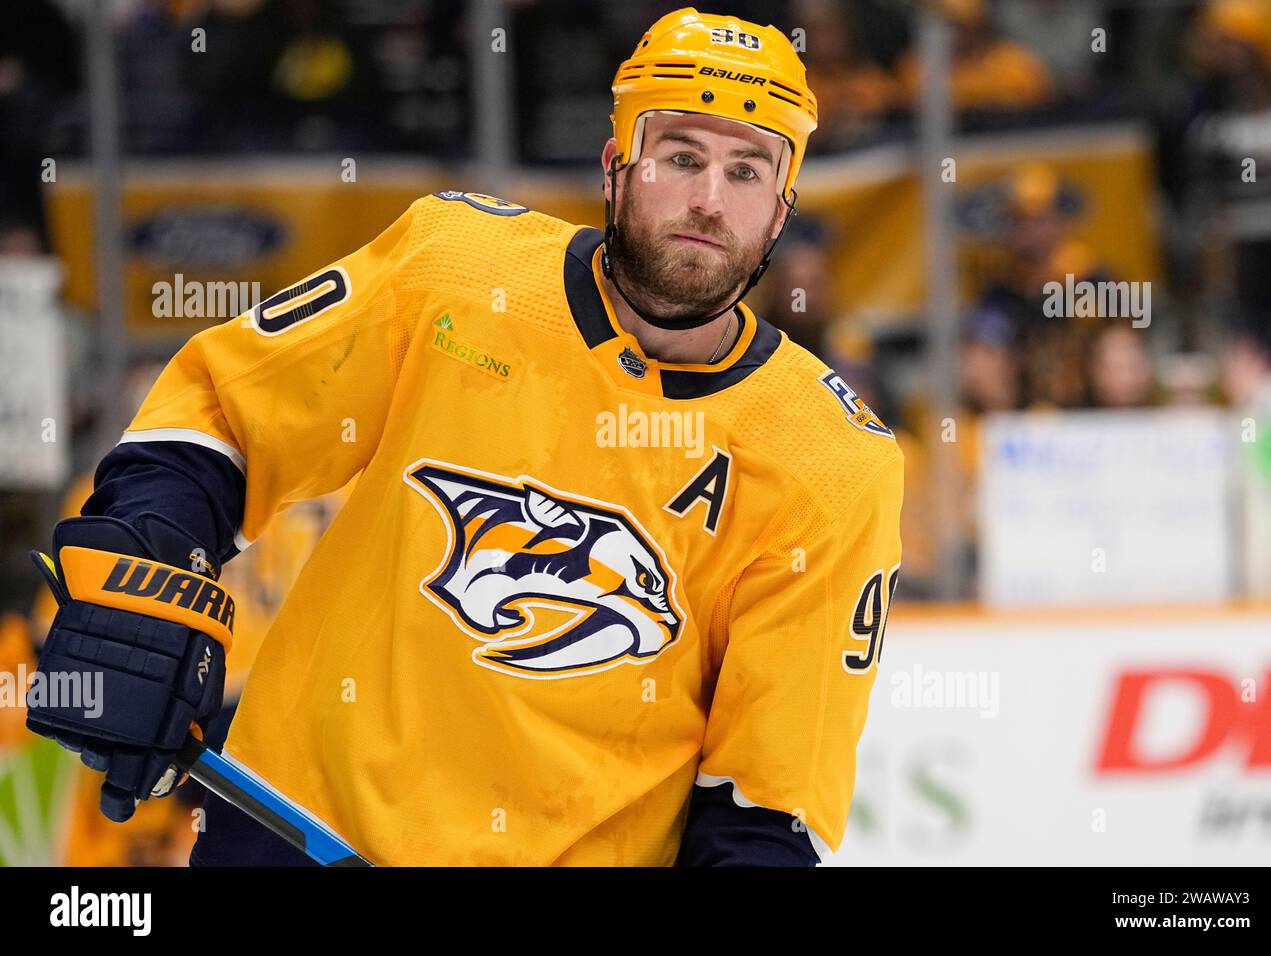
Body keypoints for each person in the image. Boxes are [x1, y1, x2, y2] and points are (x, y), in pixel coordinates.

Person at [25, 7, 903, 867]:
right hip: (289, 831)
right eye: (680, 155)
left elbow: (769, 797)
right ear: (616, 165)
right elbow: (227, 410)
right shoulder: (453, 271)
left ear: (782, 210)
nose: (709, 200)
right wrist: (146, 568)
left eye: (748, 172)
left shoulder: (830, 462)